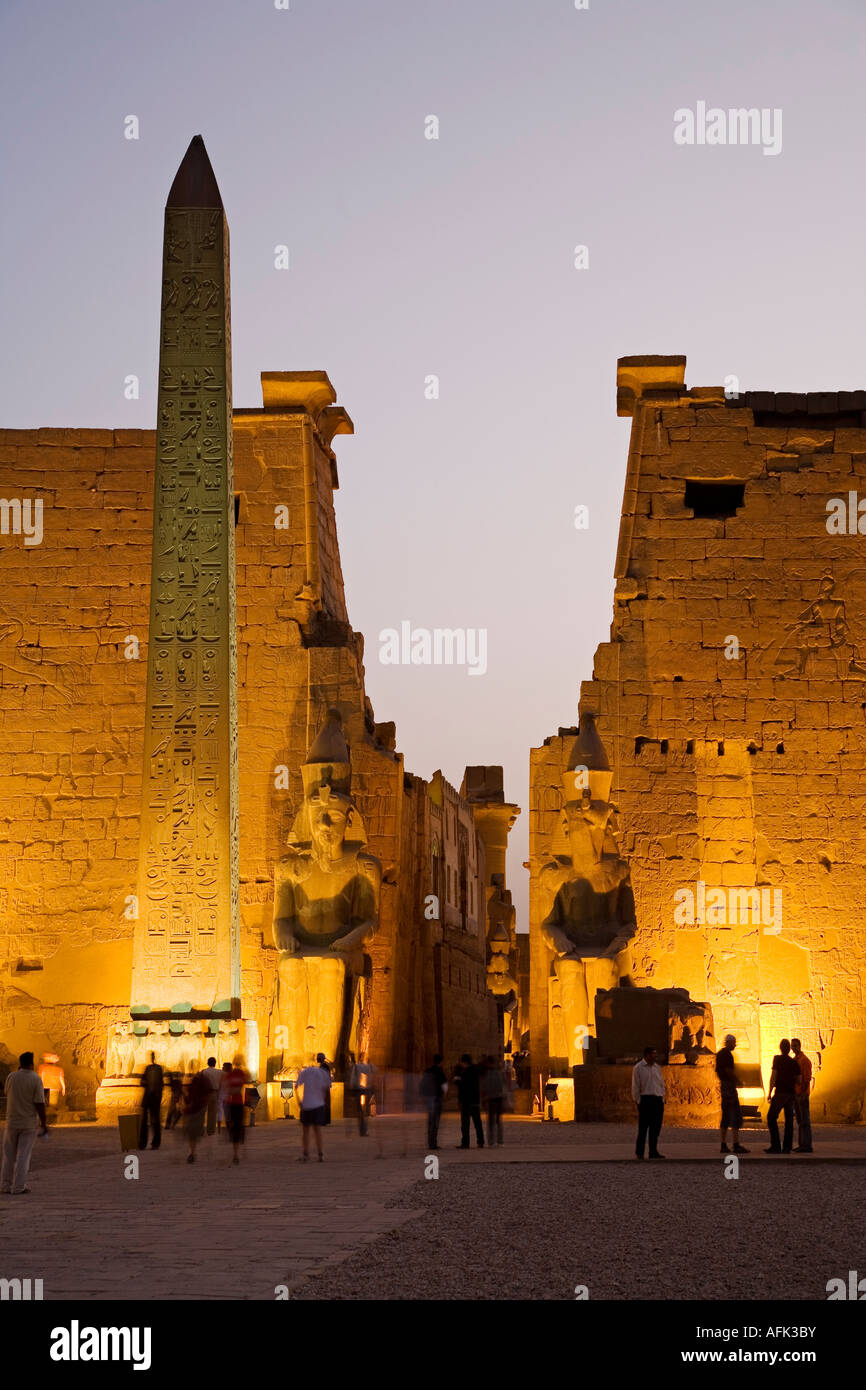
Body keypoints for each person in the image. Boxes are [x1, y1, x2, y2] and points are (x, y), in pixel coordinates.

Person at [1, 1052, 48, 1195]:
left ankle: (5, 1185)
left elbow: (7, 1092)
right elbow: (39, 1103)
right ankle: (18, 1186)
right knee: (23, 1156)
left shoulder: (11, 1077)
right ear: (31, 1064)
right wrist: (44, 1123)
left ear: (20, 1064)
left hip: (12, 1121)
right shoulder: (35, 1079)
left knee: (8, 1155)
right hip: (28, 1123)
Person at [715, 1034, 749, 1154]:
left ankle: (723, 1144)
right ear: (729, 1042)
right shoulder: (727, 1055)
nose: (735, 1045)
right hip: (729, 1086)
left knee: (726, 1115)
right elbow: (728, 1070)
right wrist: (737, 1080)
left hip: (724, 1085)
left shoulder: (720, 1054)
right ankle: (736, 1144)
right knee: (735, 1114)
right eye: (734, 1042)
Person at [631, 1044, 665, 1159]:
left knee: (655, 1128)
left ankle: (653, 1151)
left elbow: (661, 1083)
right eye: (652, 1055)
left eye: (655, 1055)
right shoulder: (638, 1068)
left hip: (657, 1099)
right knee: (643, 1128)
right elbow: (636, 1086)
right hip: (645, 1100)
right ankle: (639, 1152)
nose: (655, 1057)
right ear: (646, 1055)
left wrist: (662, 1097)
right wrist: (638, 1100)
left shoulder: (657, 1068)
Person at [765, 1038, 799, 1153]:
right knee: (789, 1121)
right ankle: (787, 1147)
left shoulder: (777, 1059)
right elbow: (799, 1080)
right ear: (789, 1049)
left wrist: (769, 1092)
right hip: (790, 1094)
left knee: (771, 1117)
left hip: (780, 1093)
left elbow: (773, 1076)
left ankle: (775, 1145)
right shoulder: (794, 1063)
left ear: (780, 1048)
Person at [296, 1054, 332, 1161]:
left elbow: (297, 1087)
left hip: (307, 1105)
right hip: (319, 1105)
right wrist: (326, 1102)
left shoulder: (304, 1072)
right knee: (318, 1130)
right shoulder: (323, 1073)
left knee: (306, 1131)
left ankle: (305, 1154)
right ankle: (320, 1154)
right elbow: (327, 1089)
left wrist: (299, 1102)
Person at [454, 1054, 484, 1149]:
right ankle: (480, 1141)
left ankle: (465, 1143)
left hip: (467, 1101)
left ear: (464, 1062)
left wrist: (457, 1081)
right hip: (475, 1100)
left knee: (465, 1124)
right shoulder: (475, 1071)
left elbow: (463, 1086)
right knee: (477, 1122)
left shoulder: (465, 1072)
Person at [419, 1054, 448, 1149]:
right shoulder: (440, 1071)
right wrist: (444, 1096)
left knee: (430, 1121)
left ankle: (430, 1142)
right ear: (441, 1062)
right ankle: (433, 1143)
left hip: (429, 1099)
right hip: (437, 1098)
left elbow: (422, 1084)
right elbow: (444, 1087)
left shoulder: (427, 1071)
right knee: (435, 1122)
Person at [791, 1037, 814, 1153]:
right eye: (792, 1045)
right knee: (801, 1121)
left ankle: (807, 1145)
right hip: (797, 1093)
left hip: (802, 1094)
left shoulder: (804, 1060)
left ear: (799, 1046)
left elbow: (806, 1078)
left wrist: (803, 1093)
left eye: (795, 1045)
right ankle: (802, 1144)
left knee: (805, 1120)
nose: (793, 1048)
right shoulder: (796, 1059)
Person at [184, 1067, 210, 1164]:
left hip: (195, 1109)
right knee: (193, 1132)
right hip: (197, 1109)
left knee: (192, 1132)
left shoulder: (196, 1082)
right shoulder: (201, 1081)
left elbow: (191, 1096)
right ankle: (192, 1153)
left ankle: (192, 1153)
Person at [224, 1061, 248, 1165]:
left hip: (235, 1104)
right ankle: (235, 1153)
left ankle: (235, 1154)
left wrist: (233, 1090)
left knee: (236, 1127)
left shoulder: (233, 1075)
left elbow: (229, 1089)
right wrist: (236, 1090)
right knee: (234, 1126)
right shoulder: (233, 1075)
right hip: (234, 1104)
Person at [139, 1052, 164, 1150]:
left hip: (154, 1098)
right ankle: (142, 1143)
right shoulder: (148, 1068)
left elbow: (161, 1083)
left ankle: (155, 1142)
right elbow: (142, 1081)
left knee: (155, 1121)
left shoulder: (158, 1069)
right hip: (148, 1097)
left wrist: (159, 1095)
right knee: (144, 1121)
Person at [348, 1052, 375, 1137]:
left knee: (360, 1111)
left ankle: (362, 1130)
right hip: (365, 1089)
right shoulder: (366, 1067)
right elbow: (373, 1072)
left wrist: (352, 1087)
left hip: (358, 1089)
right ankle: (363, 1130)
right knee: (364, 1111)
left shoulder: (356, 1066)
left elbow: (353, 1078)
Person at [482, 1055, 505, 1147]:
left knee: (491, 1121)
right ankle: (500, 1141)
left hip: (491, 1098)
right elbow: (501, 1085)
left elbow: (485, 1087)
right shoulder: (499, 1073)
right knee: (498, 1120)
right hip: (498, 1098)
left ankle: (491, 1141)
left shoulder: (487, 1074)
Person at [202, 1056, 222, 1135]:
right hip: (214, 1093)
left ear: (207, 1063)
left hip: (205, 1093)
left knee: (202, 1112)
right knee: (212, 1113)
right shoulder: (219, 1072)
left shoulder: (204, 1072)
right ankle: (210, 1130)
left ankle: (201, 1129)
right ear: (215, 1063)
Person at [217, 1061, 232, 1131]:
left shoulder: (220, 1074)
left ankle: (219, 1128)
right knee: (227, 1112)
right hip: (227, 1096)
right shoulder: (230, 1075)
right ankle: (228, 1127)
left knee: (220, 1111)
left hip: (220, 1095)